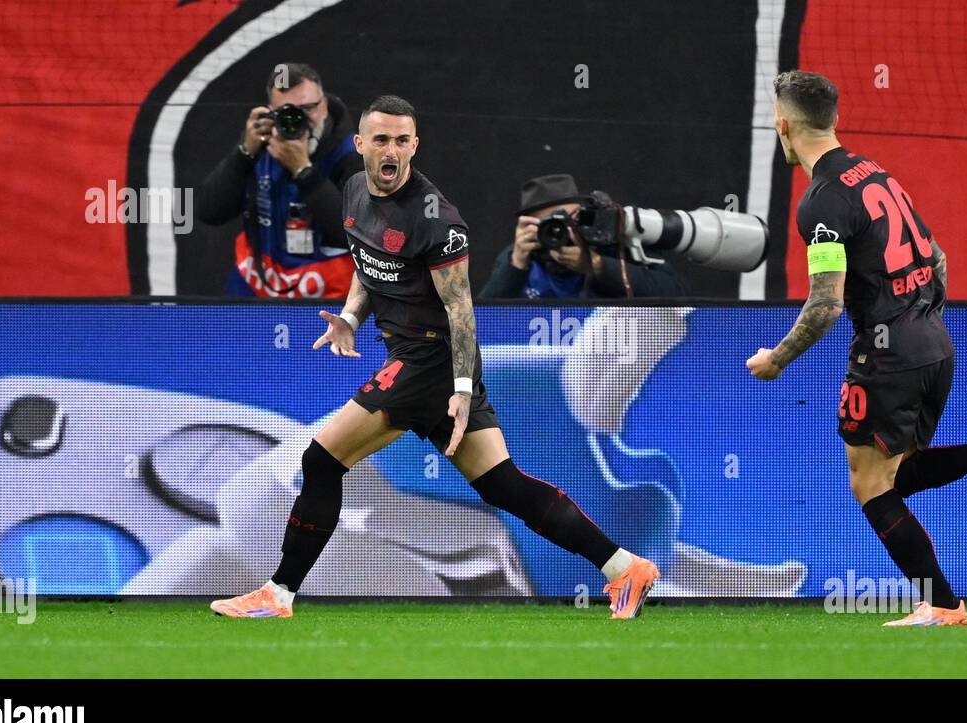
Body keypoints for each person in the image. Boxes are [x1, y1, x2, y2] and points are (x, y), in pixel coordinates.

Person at [210, 95, 660, 620]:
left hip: (431, 364)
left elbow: (462, 313)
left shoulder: (437, 219)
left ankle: (278, 594)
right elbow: (366, 260)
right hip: (426, 366)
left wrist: (463, 390)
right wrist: (352, 318)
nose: (392, 150)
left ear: (415, 146)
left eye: (403, 140)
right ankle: (623, 567)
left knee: (321, 459)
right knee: (504, 485)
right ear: (360, 145)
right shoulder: (354, 190)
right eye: (381, 139)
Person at [746, 71, 967, 626]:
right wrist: (922, 322)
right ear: (832, 120)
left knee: (868, 483)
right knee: (895, 472)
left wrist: (777, 360)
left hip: (888, 356)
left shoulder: (821, 202)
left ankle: (943, 604)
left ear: (783, 125)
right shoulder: (875, 173)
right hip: (934, 346)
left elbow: (826, 305)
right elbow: (938, 259)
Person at [196, 63, 360, 298]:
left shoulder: (351, 155)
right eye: (287, 112)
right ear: (271, 112)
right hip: (256, 288)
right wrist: (243, 154)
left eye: (308, 109)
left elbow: (355, 234)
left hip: (323, 301)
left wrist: (304, 171)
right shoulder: (261, 144)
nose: (299, 120)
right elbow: (209, 212)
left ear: (323, 106)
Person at [478, 174, 685, 298]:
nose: (560, 230)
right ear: (529, 226)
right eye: (549, 223)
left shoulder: (609, 243)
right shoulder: (522, 256)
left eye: (567, 219)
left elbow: (677, 294)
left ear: (582, 214)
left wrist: (597, 265)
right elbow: (481, 325)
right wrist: (515, 265)